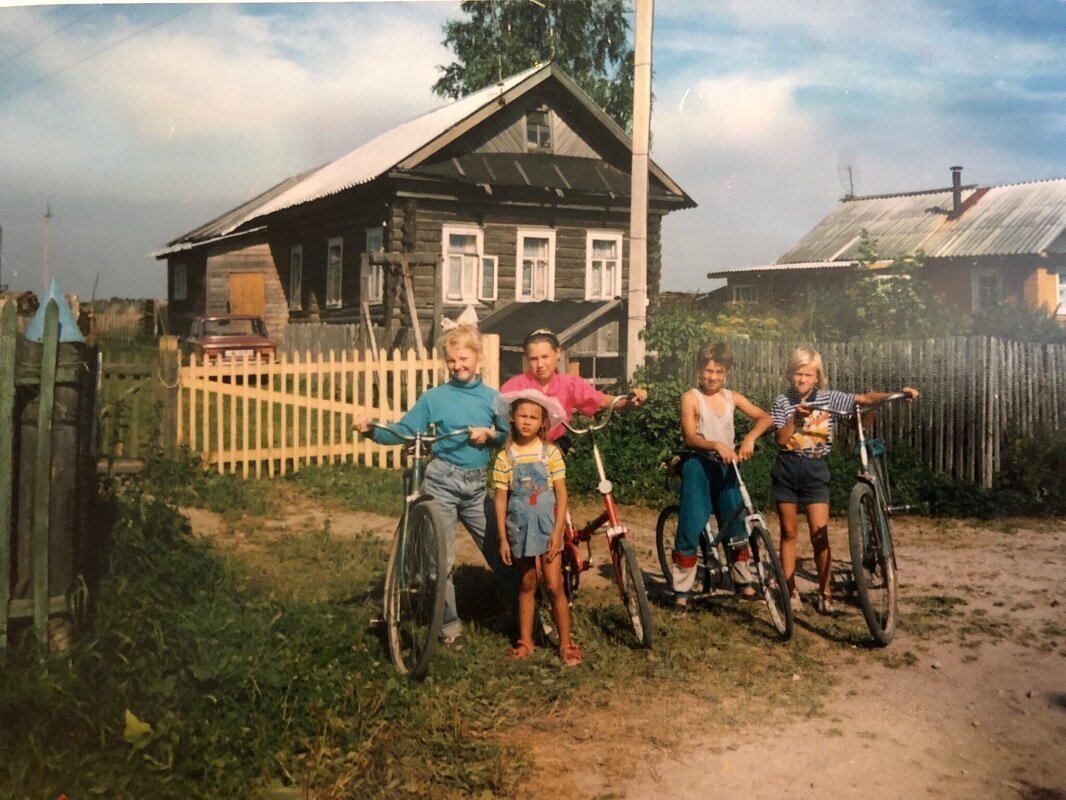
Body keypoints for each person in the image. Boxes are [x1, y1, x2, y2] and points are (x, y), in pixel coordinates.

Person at [355, 325, 508, 644]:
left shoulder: (494, 399)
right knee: (439, 561)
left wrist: (490, 435)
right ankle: (449, 627)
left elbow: (507, 435)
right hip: (440, 481)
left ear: (477, 357)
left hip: (478, 486)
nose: (457, 366)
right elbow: (404, 431)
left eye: (463, 358)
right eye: (451, 360)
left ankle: (516, 614)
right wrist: (371, 429)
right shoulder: (434, 398)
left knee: (502, 551)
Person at [771, 346, 919, 614]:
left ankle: (824, 592)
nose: (802, 379)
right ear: (789, 375)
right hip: (788, 468)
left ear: (817, 377)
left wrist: (898, 393)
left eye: (807, 374)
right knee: (788, 532)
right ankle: (790, 590)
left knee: (819, 533)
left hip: (816, 470)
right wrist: (795, 417)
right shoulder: (783, 401)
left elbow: (863, 400)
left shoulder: (828, 398)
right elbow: (780, 440)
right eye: (797, 374)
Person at [671, 343, 773, 609]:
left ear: (726, 373)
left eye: (718, 371)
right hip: (698, 464)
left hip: (727, 466)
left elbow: (765, 418)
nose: (712, 376)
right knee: (692, 524)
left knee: (735, 522)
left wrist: (749, 439)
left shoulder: (732, 397)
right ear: (698, 370)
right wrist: (716, 445)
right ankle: (681, 590)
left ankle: (742, 582)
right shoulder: (691, 397)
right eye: (707, 370)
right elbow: (690, 436)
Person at [492, 389, 580, 666]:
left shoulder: (550, 453)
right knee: (528, 581)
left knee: (553, 584)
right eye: (522, 416)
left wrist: (557, 534)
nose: (527, 421)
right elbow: (501, 498)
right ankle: (526, 641)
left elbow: (562, 495)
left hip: (547, 528)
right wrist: (503, 538)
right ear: (512, 418)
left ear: (543, 422)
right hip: (519, 527)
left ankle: (565, 643)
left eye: (533, 417)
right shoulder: (505, 457)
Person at [500, 328, 647, 449]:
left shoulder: (569, 384)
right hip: (521, 448)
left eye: (545, 357)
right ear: (526, 358)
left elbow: (601, 400)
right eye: (533, 359)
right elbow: (498, 415)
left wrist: (628, 400)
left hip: (554, 447)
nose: (540, 364)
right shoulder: (514, 387)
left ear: (557, 353)